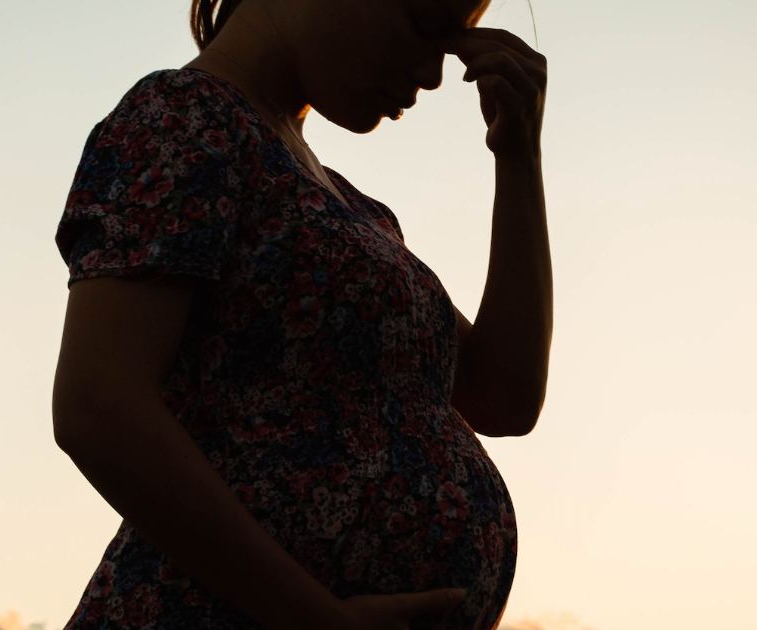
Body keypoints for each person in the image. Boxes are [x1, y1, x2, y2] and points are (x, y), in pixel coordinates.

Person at [51, 0, 551, 628]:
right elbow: (98, 408)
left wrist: (519, 155)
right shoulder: (183, 118)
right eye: (425, 21)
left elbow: (503, 396)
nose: (433, 74)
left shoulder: (354, 208)